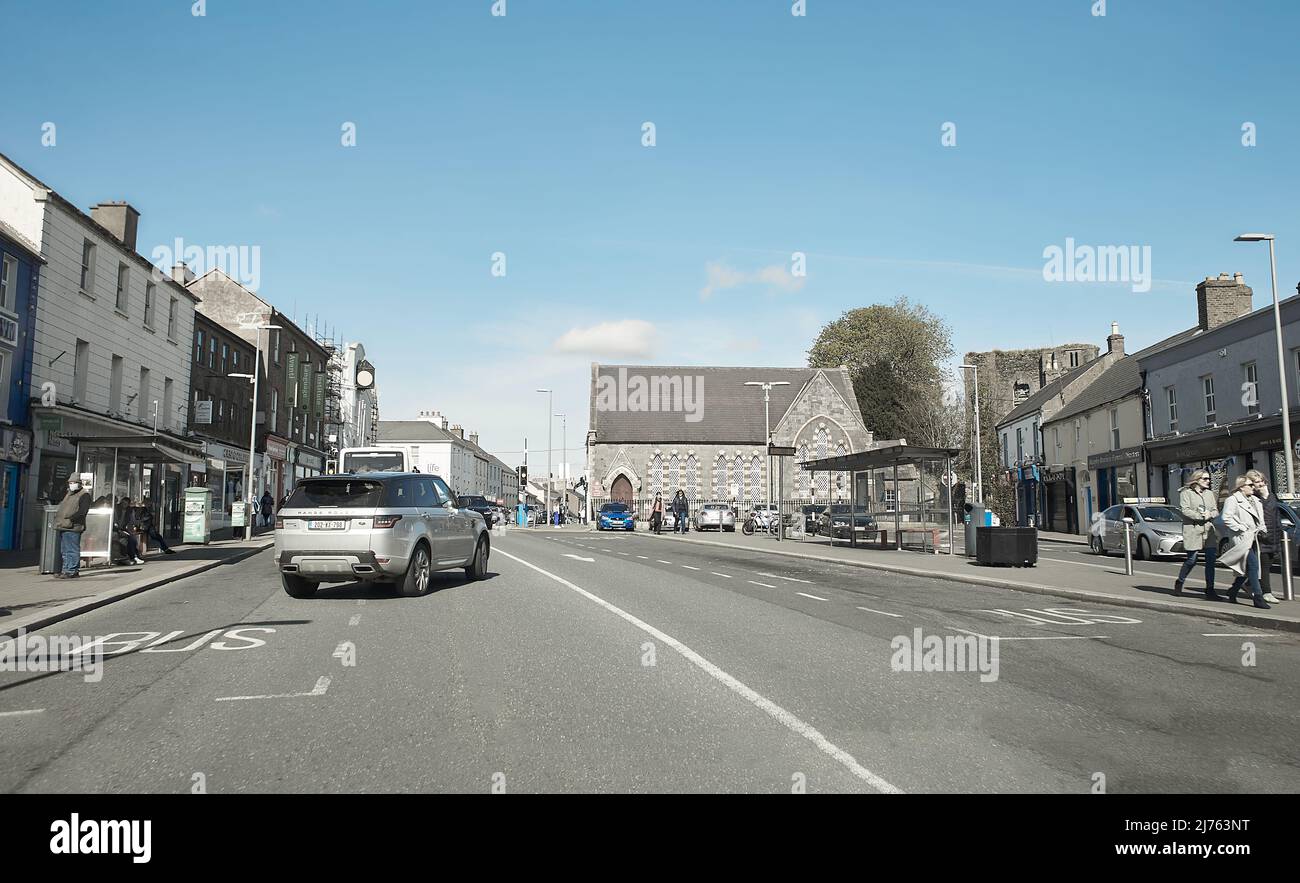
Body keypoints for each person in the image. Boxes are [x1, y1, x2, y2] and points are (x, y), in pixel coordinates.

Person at [1221, 472, 1270, 610]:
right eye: (1250, 485)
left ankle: (1233, 591)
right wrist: (1241, 527)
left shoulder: (1256, 500)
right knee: (1253, 566)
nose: (1253, 487)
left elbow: (1261, 519)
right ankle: (1258, 597)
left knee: (1246, 569)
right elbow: (1226, 518)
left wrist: (1263, 530)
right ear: (1241, 487)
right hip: (1242, 539)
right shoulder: (1232, 500)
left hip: (1254, 538)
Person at [1174, 469, 1222, 601]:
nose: (1208, 481)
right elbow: (1185, 510)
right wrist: (1200, 515)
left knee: (1211, 560)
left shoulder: (1210, 494)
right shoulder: (1186, 493)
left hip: (1208, 530)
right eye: (1205, 479)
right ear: (1197, 479)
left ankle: (1210, 589)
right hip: (1193, 529)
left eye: (1208, 479)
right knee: (1192, 559)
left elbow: (1215, 510)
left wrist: (1210, 514)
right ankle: (1180, 581)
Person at [53, 477, 92, 579]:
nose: (71, 484)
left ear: (79, 483)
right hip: (64, 526)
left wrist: (70, 519)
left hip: (74, 526)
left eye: (73, 482)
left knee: (72, 550)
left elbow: (82, 511)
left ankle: (72, 571)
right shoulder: (69, 494)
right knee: (65, 550)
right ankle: (65, 570)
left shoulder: (84, 495)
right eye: (70, 483)